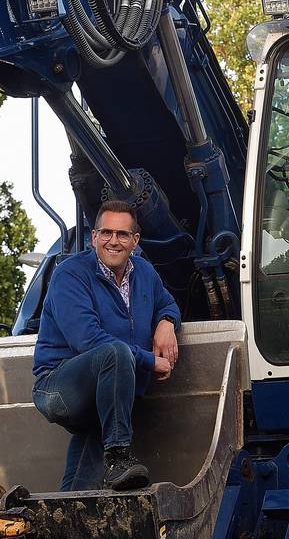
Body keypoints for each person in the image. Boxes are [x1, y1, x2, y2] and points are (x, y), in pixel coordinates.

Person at [32, 200, 180, 491]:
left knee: (80, 487)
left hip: (108, 394)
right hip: (58, 388)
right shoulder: (70, 274)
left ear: (135, 241)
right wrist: (150, 361)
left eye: (123, 234)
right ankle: (119, 457)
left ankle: (67, 521)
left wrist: (166, 322)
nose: (114, 241)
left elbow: (168, 303)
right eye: (106, 233)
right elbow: (88, 340)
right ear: (94, 237)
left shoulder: (145, 274)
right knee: (113, 352)